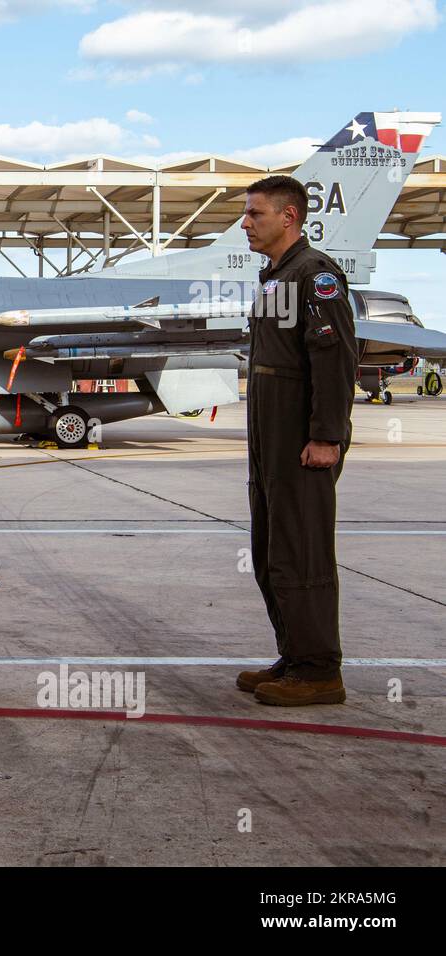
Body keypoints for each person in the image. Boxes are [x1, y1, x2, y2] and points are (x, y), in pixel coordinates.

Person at [235, 174, 358, 706]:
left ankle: (318, 670)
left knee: (302, 552)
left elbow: (334, 360)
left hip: (301, 443)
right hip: (270, 440)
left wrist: (326, 437)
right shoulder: (275, 277)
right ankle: (294, 655)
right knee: (272, 552)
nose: (245, 223)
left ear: (289, 217)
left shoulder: (315, 276)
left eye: (255, 214)